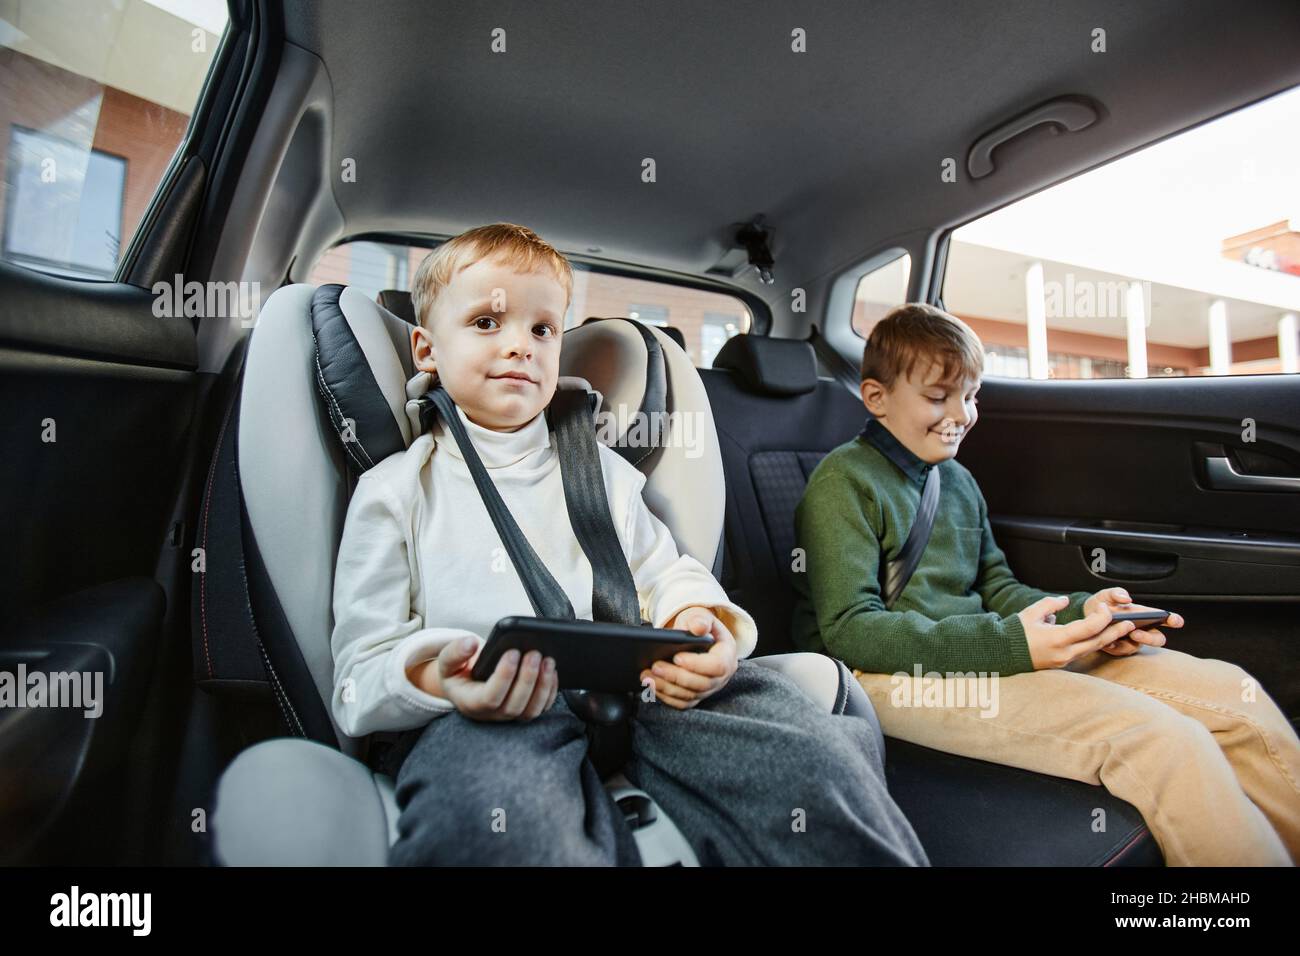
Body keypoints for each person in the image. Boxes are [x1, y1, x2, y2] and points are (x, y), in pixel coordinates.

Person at [330, 222, 927, 866]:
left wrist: (699, 621)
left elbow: (664, 570)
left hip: (644, 691)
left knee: (810, 757)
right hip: (487, 714)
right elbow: (360, 673)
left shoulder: (605, 473)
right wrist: (440, 680)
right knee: (496, 816)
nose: (520, 347)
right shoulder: (397, 490)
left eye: (541, 330)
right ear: (425, 349)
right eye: (484, 323)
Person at [791, 302, 1300, 866]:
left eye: (971, 395)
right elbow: (849, 631)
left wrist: (1083, 614)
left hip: (978, 648)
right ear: (876, 397)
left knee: (1234, 697)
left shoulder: (955, 480)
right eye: (939, 397)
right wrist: (1007, 644)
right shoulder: (843, 482)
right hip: (888, 675)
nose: (961, 414)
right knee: (1159, 737)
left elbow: (999, 588)